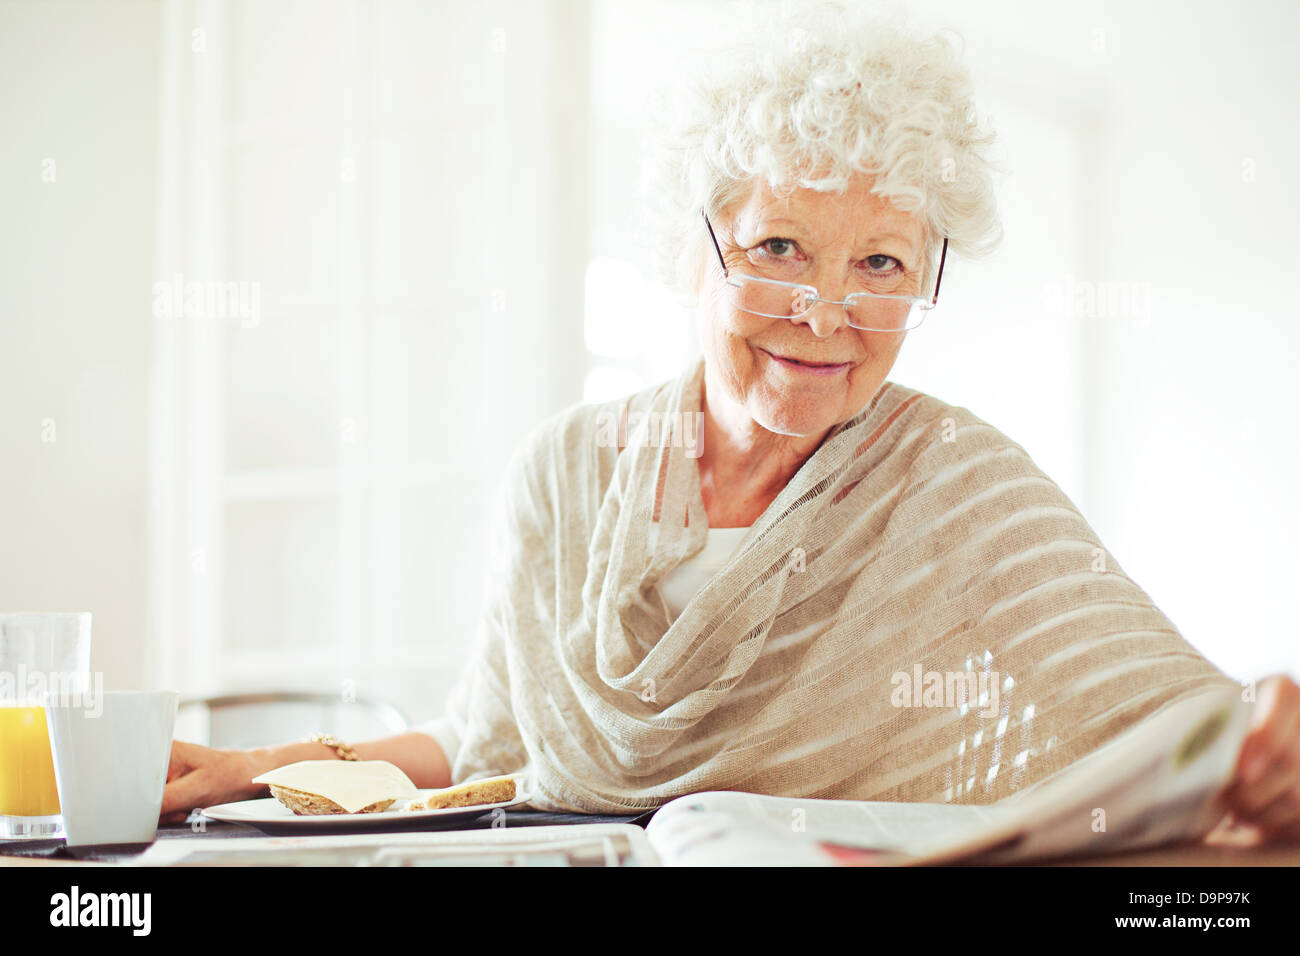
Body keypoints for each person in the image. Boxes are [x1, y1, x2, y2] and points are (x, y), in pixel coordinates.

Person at [162, 3, 1300, 842]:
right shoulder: (563, 472)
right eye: (777, 248)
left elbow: (1189, 729)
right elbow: (485, 746)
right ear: (691, 245)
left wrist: (1268, 743)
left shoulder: (963, 482)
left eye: (881, 264)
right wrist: (258, 764)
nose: (827, 312)